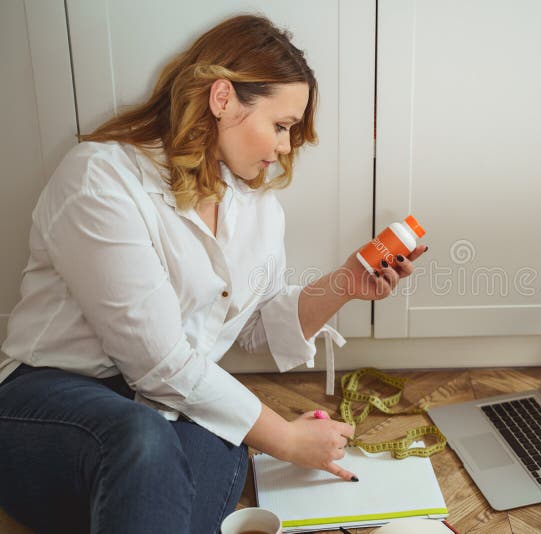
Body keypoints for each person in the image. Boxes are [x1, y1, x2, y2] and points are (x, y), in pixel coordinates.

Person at [0, 14, 425, 534]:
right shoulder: (100, 178)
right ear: (222, 98)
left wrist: (345, 283)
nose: (287, 147)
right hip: (51, 399)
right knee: (154, 440)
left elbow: (252, 325)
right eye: (282, 126)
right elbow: (157, 361)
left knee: (218, 443)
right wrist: (285, 439)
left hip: (165, 405)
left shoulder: (258, 210)